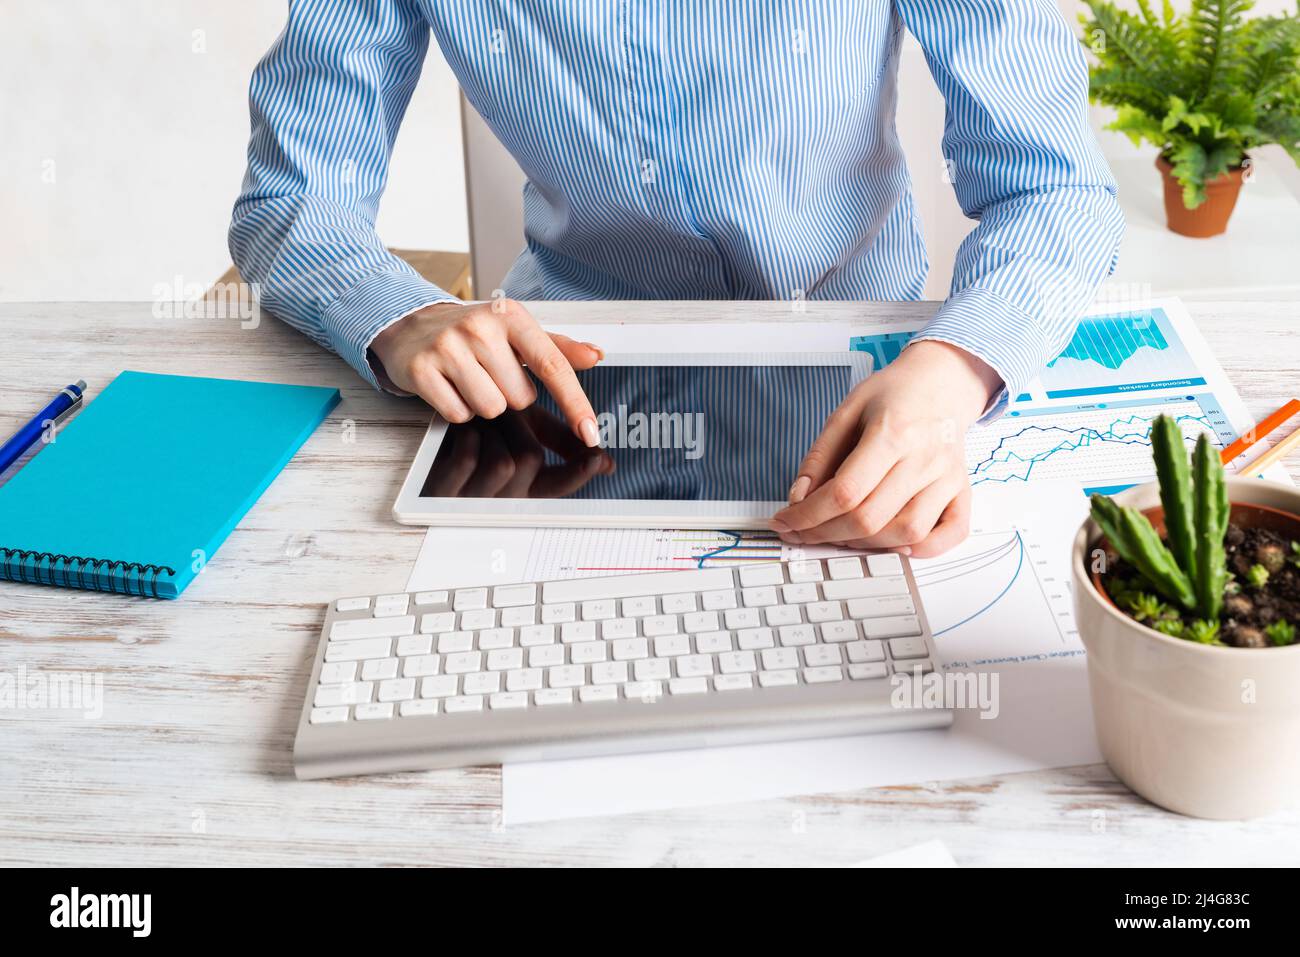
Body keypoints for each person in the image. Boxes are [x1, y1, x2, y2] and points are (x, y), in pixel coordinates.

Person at [230, 0, 1123, 557]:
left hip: (874, 360)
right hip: (574, 383)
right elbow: (290, 199)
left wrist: (953, 371)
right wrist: (399, 313)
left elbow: (1056, 186)